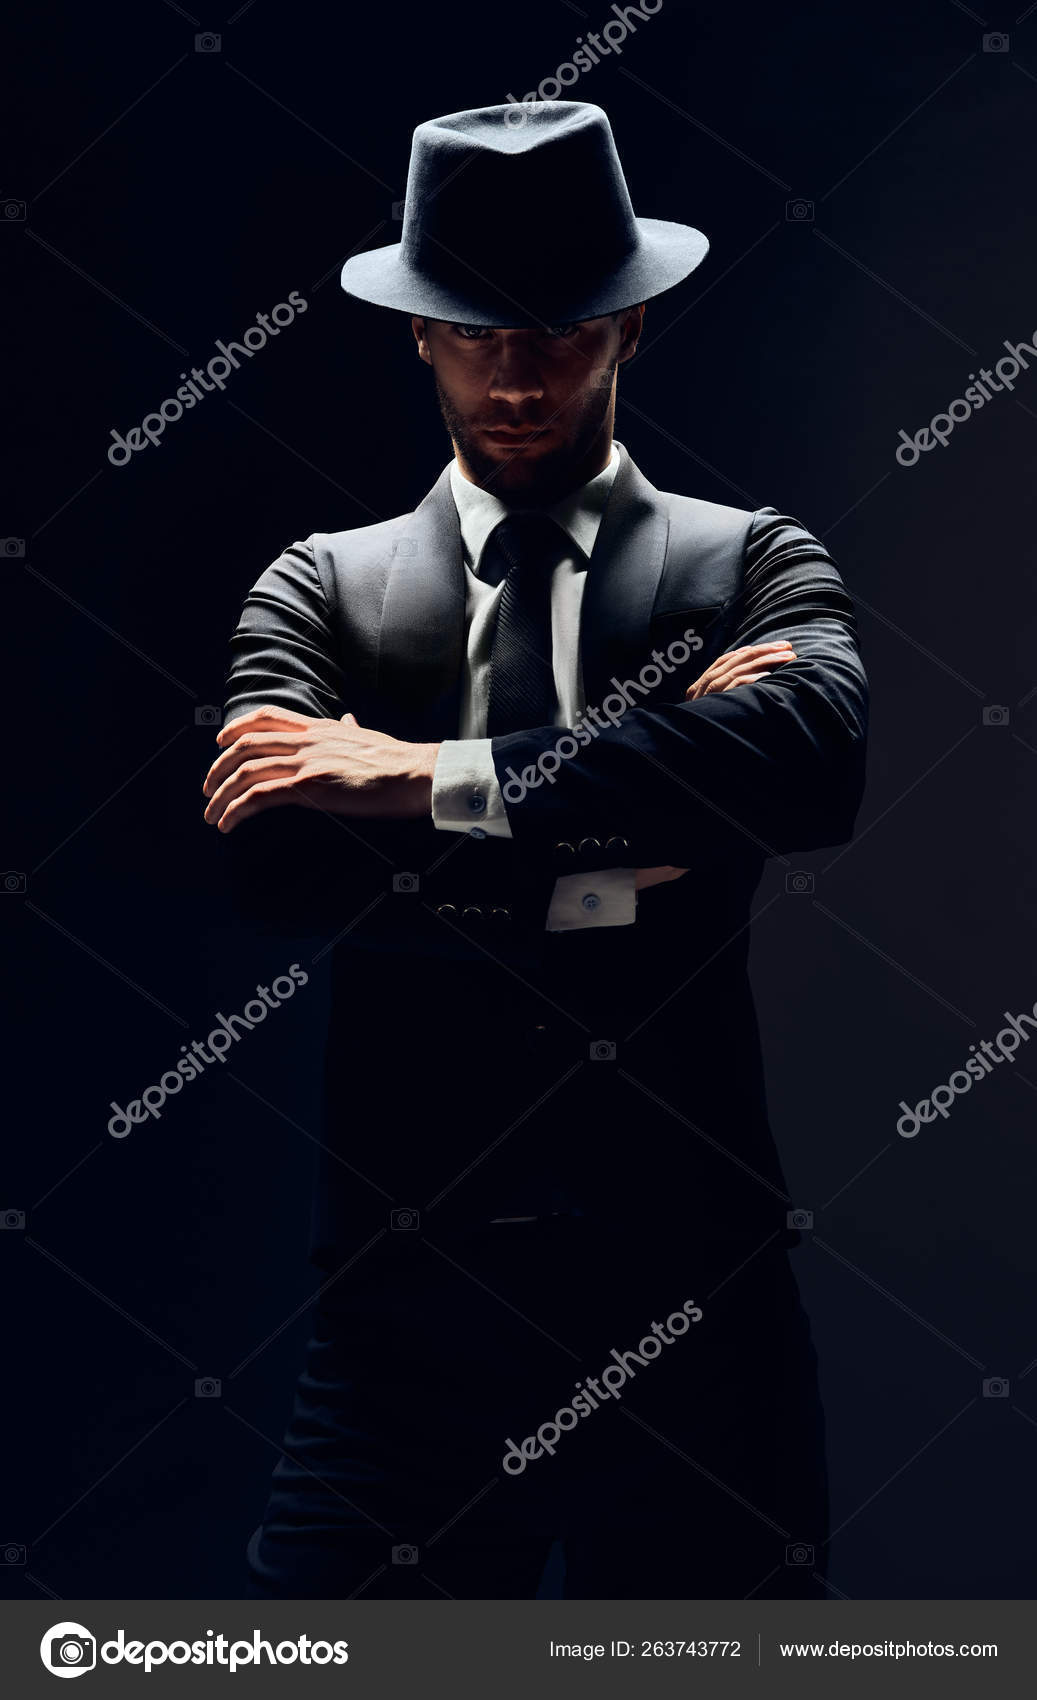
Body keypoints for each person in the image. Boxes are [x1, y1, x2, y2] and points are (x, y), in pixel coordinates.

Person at [202, 99, 868, 1600]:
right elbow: (274, 866)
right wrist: (640, 810)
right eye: (474, 333)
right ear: (419, 335)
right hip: (403, 1317)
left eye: (560, 330)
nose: (515, 376)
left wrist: (422, 779)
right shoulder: (321, 589)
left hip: (696, 1309)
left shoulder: (749, 560)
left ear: (629, 324)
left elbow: (808, 770)